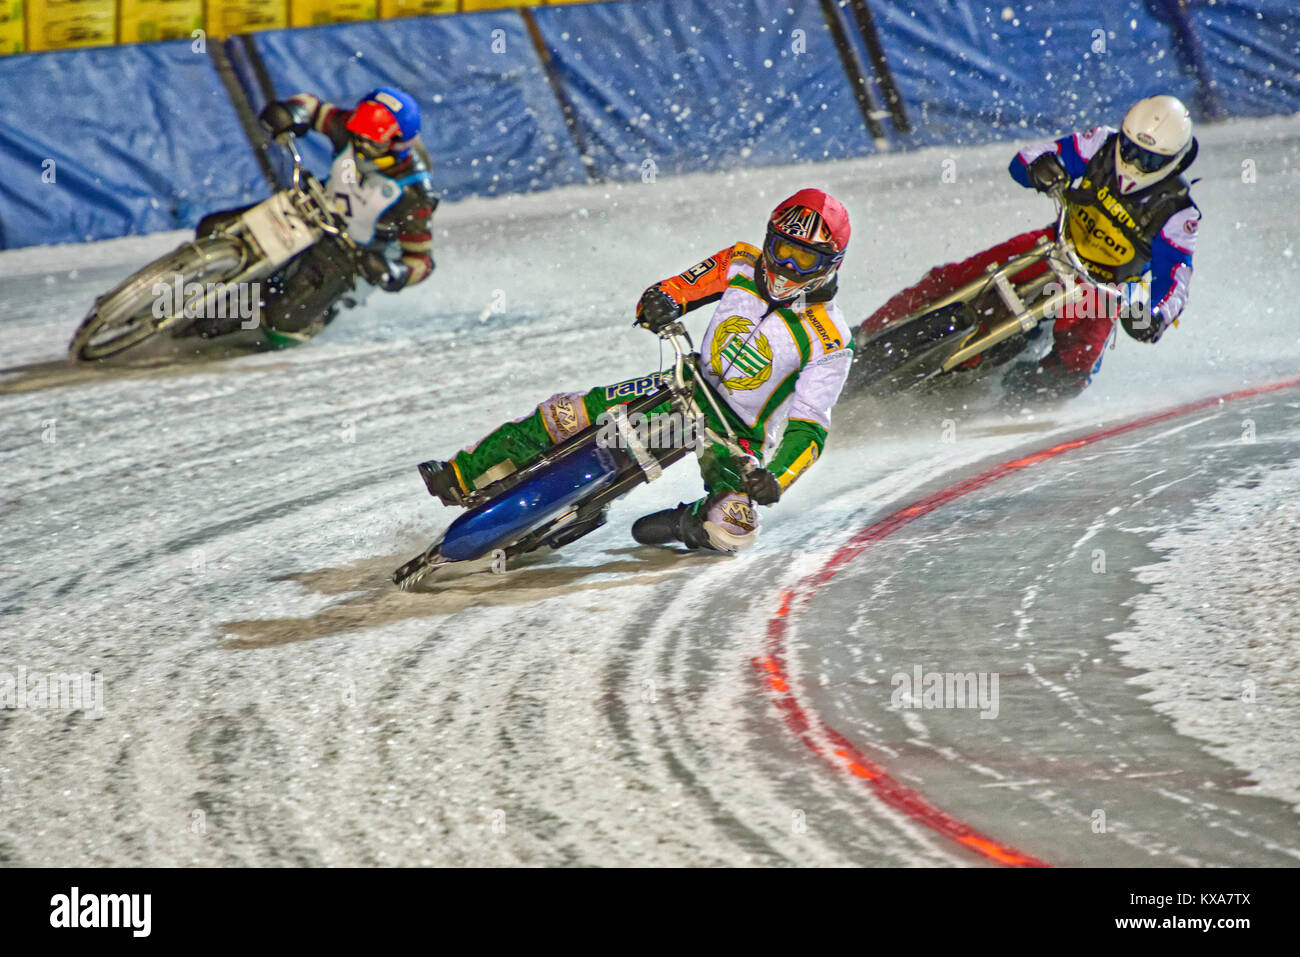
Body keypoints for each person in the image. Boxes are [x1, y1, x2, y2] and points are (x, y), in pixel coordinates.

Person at [418, 189, 855, 553]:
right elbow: (675, 289)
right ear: (768, 239)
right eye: (781, 250)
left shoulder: (831, 339)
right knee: (567, 413)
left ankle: (688, 524)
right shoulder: (740, 261)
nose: (785, 267)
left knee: (736, 528)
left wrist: (775, 478)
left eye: (803, 260)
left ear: (831, 263)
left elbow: (810, 426)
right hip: (685, 387)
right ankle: (461, 473)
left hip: (738, 437)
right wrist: (658, 303)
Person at [860, 95, 1200, 398]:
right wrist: (1040, 166)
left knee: (1080, 353)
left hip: (1105, 285)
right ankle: (868, 332)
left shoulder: (1178, 212)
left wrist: (1153, 317)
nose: (1134, 164)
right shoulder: (1100, 143)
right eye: (1130, 150)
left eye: (1150, 161)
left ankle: (1033, 396)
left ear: (1173, 161)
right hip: (1053, 245)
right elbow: (1032, 156)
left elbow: (1175, 280)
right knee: (953, 277)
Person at [197, 87, 437, 341]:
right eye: (360, 131)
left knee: (283, 320)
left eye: (373, 139)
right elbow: (313, 107)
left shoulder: (413, 193)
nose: (362, 143)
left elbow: (422, 261)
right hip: (314, 206)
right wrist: (292, 111)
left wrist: (394, 272)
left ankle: (307, 319)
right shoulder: (349, 131)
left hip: (350, 252)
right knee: (213, 229)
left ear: (396, 143)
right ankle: (184, 283)